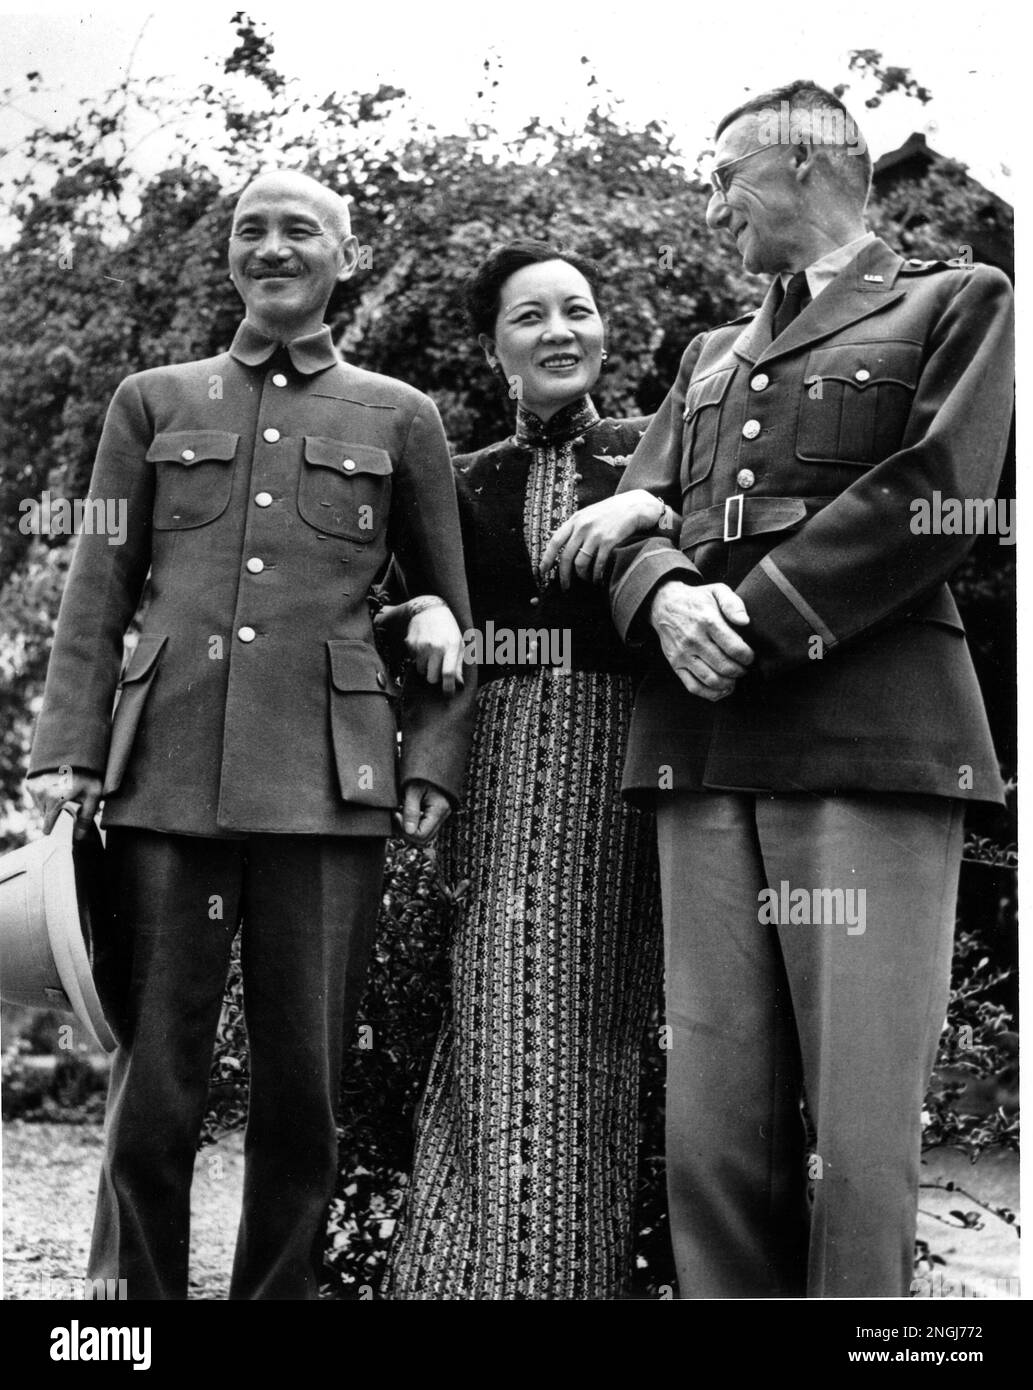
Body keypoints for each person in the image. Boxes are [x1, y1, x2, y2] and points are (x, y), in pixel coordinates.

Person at [25, 170, 476, 1300]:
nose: (272, 248)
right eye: (249, 232)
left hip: (330, 788)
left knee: (302, 1085)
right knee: (156, 1073)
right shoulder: (151, 400)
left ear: (346, 255)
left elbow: (448, 615)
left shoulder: (400, 416)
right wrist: (66, 749)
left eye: (299, 231)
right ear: (228, 256)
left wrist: (430, 762)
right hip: (165, 773)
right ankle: (131, 1312)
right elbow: (97, 583)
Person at [608, 81, 1014, 1298]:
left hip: (864, 740)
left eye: (726, 171)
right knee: (714, 1129)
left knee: (860, 1135)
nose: (713, 197)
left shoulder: (957, 300)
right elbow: (628, 513)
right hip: (702, 745)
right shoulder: (705, 355)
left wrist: (755, 614)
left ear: (802, 163)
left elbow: (943, 488)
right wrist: (665, 594)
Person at [384, 241, 672, 1299]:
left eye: (578, 310)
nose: (560, 332)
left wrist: (647, 508)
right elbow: (387, 604)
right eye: (530, 318)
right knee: (498, 1026)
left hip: (626, 776)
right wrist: (416, 613)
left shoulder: (653, 457)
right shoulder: (458, 482)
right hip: (498, 773)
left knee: (597, 1048)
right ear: (495, 348)